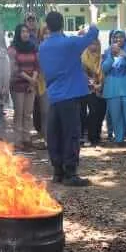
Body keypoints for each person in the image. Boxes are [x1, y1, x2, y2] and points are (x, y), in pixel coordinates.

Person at [38, 12, 99, 186]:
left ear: (47, 26)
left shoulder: (43, 46)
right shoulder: (69, 43)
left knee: (55, 134)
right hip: (70, 94)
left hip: (53, 96)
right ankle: (70, 173)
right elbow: (92, 35)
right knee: (71, 134)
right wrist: (93, 16)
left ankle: (58, 172)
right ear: (62, 24)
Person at [102, 30, 126, 146]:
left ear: (125, 39)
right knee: (116, 115)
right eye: (115, 37)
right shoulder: (107, 52)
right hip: (113, 89)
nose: (118, 39)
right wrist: (111, 56)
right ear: (112, 39)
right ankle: (119, 139)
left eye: (121, 37)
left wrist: (125, 56)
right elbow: (104, 69)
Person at [8, 23, 41, 151]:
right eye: (22, 32)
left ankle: (27, 139)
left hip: (31, 86)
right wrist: (30, 79)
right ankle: (18, 140)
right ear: (18, 33)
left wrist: (33, 80)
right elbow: (15, 68)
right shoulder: (13, 49)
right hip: (18, 85)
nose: (25, 34)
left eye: (27, 31)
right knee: (19, 113)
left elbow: (37, 65)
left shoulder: (33, 48)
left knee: (28, 113)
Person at [81, 38, 107, 146]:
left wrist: (100, 85)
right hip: (88, 89)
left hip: (101, 88)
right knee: (93, 111)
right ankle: (91, 136)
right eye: (91, 44)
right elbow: (82, 75)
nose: (94, 46)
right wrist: (92, 85)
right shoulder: (83, 58)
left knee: (101, 111)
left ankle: (97, 135)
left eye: (96, 44)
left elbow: (104, 73)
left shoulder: (102, 58)